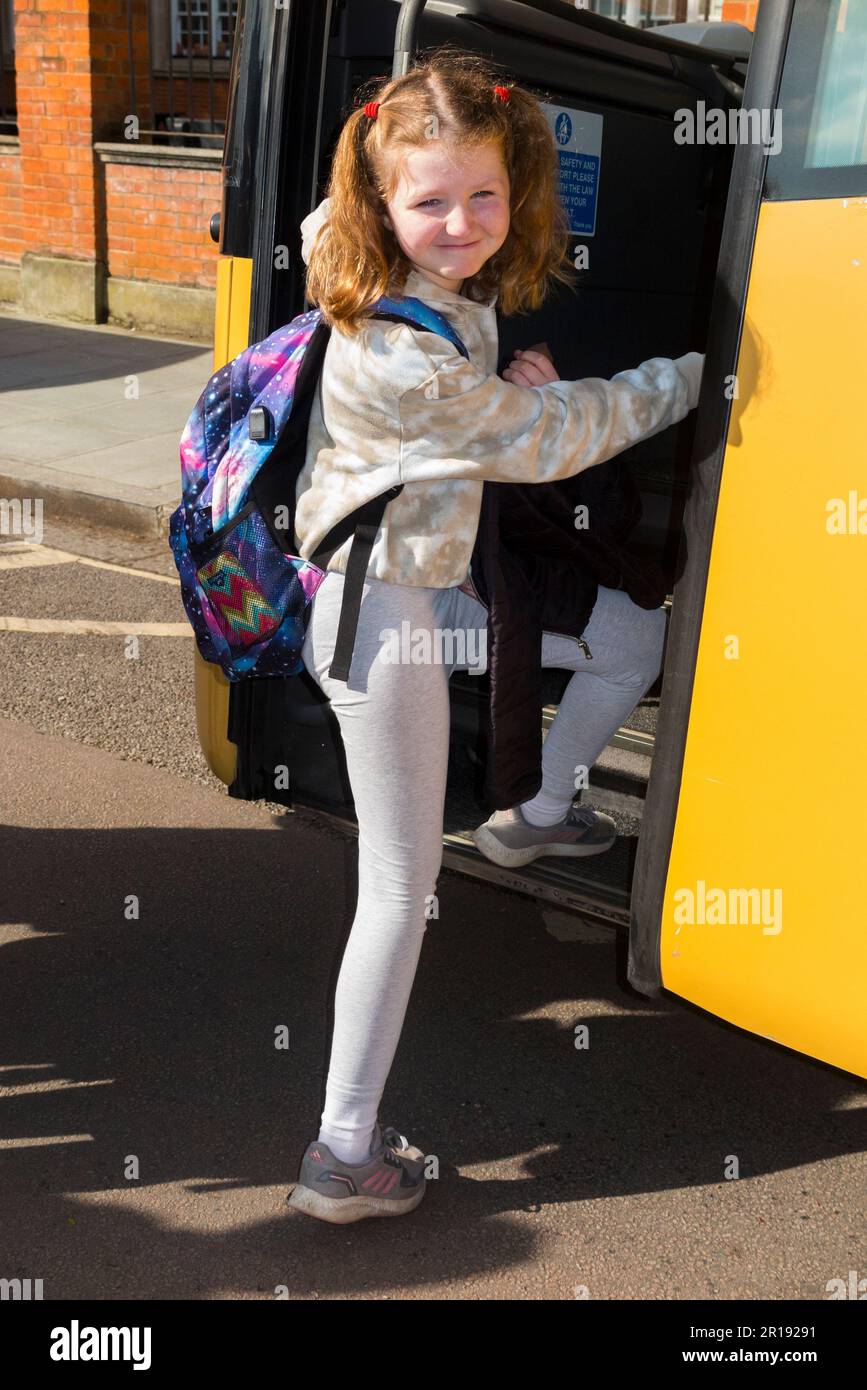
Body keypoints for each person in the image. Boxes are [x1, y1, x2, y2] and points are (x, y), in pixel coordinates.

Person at [286, 48, 704, 1224]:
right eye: (428, 200)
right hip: (383, 621)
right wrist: (699, 377)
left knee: (625, 629)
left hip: (428, 595)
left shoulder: (379, 260)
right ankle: (342, 1150)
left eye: (483, 194)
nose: (460, 223)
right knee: (401, 888)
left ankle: (533, 814)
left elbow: (499, 403)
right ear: (382, 202)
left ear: (516, 184)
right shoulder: (401, 348)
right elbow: (549, 438)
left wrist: (504, 370)